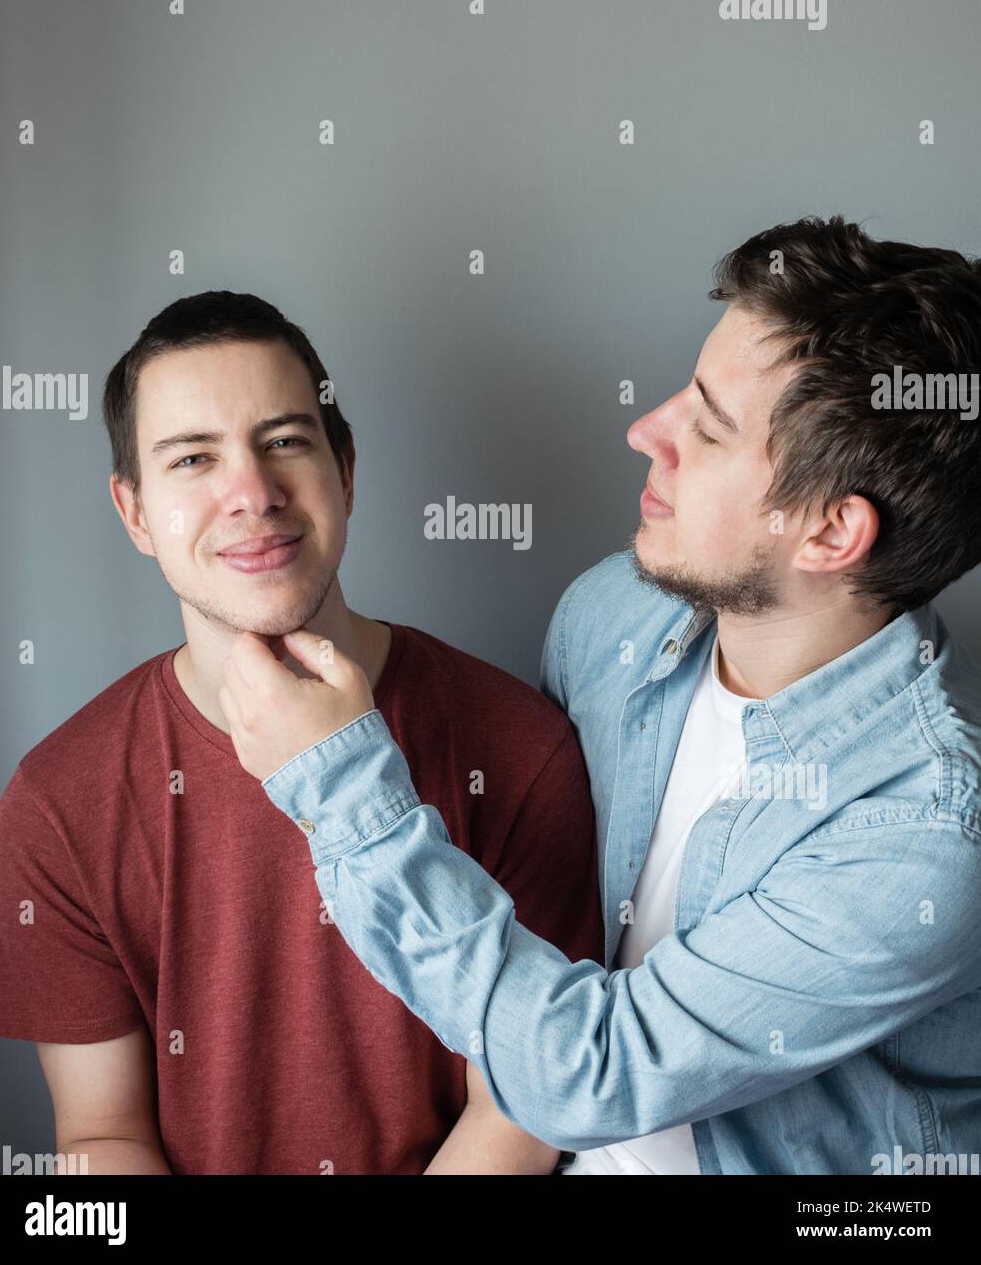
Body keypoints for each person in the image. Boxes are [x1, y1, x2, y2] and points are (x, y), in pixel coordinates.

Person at [219, 216, 981, 1175]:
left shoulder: (924, 835)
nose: (646, 430)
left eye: (707, 427)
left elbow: (593, 1074)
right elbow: (536, 941)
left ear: (831, 535)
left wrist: (337, 785)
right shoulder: (612, 619)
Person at [0, 291, 605, 1175]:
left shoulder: (517, 746)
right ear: (135, 513)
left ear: (344, 469)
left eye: (284, 441)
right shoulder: (58, 799)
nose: (253, 494)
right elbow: (99, 1136)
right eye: (193, 459)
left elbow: (527, 1103)